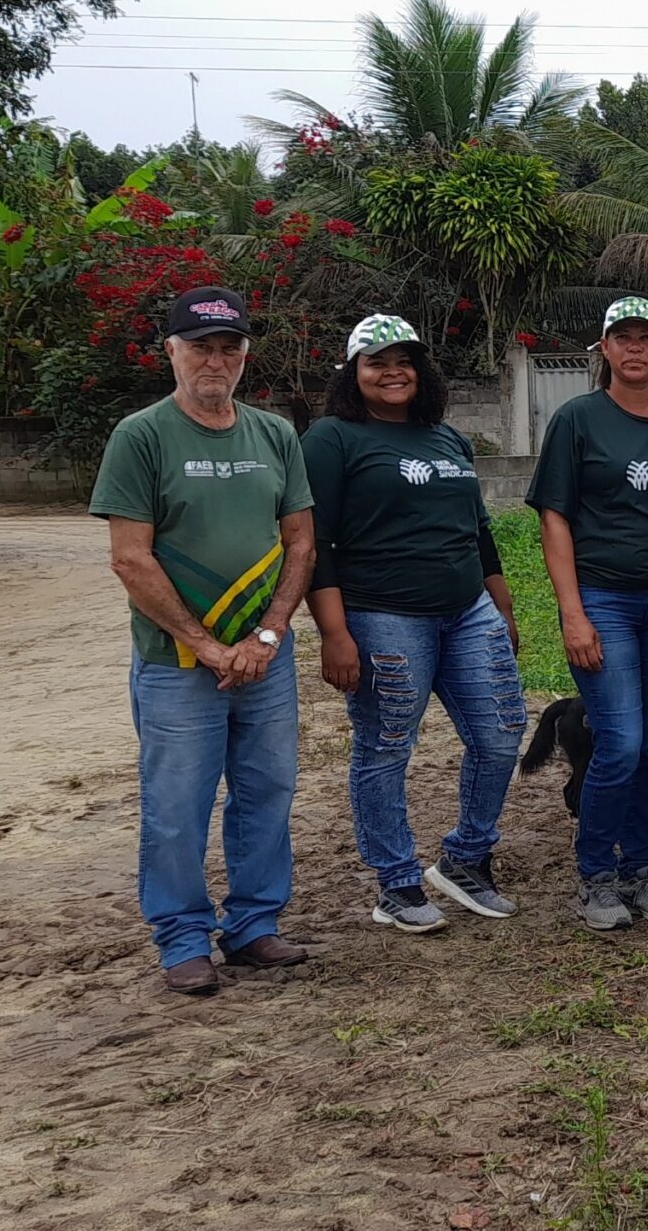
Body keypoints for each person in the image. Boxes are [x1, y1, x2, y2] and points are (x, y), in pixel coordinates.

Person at [90, 286, 315, 996]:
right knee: (177, 802)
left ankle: (252, 926)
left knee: (267, 791)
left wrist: (270, 632)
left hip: (266, 659)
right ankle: (182, 937)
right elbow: (131, 558)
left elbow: (300, 541)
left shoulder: (274, 435)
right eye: (200, 346)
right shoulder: (142, 436)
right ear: (173, 352)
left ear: (245, 356)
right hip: (179, 665)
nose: (215, 360)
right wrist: (209, 646)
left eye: (229, 348)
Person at [303, 315, 525, 935]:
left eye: (404, 359)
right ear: (354, 372)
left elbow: (478, 532)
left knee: (502, 733)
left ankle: (466, 858)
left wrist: (501, 606)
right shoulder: (332, 438)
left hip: (467, 611)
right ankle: (396, 883)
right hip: (382, 615)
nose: (392, 370)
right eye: (376, 361)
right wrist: (334, 632)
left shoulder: (446, 438)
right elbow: (314, 540)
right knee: (386, 747)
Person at [527, 296, 648, 932]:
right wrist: (572, 612)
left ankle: (640, 868)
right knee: (619, 743)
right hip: (605, 601)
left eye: (647, 338)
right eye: (622, 337)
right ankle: (596, 873)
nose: (635, 348)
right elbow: (554, 519)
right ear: (604, 350)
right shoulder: (577, 420)